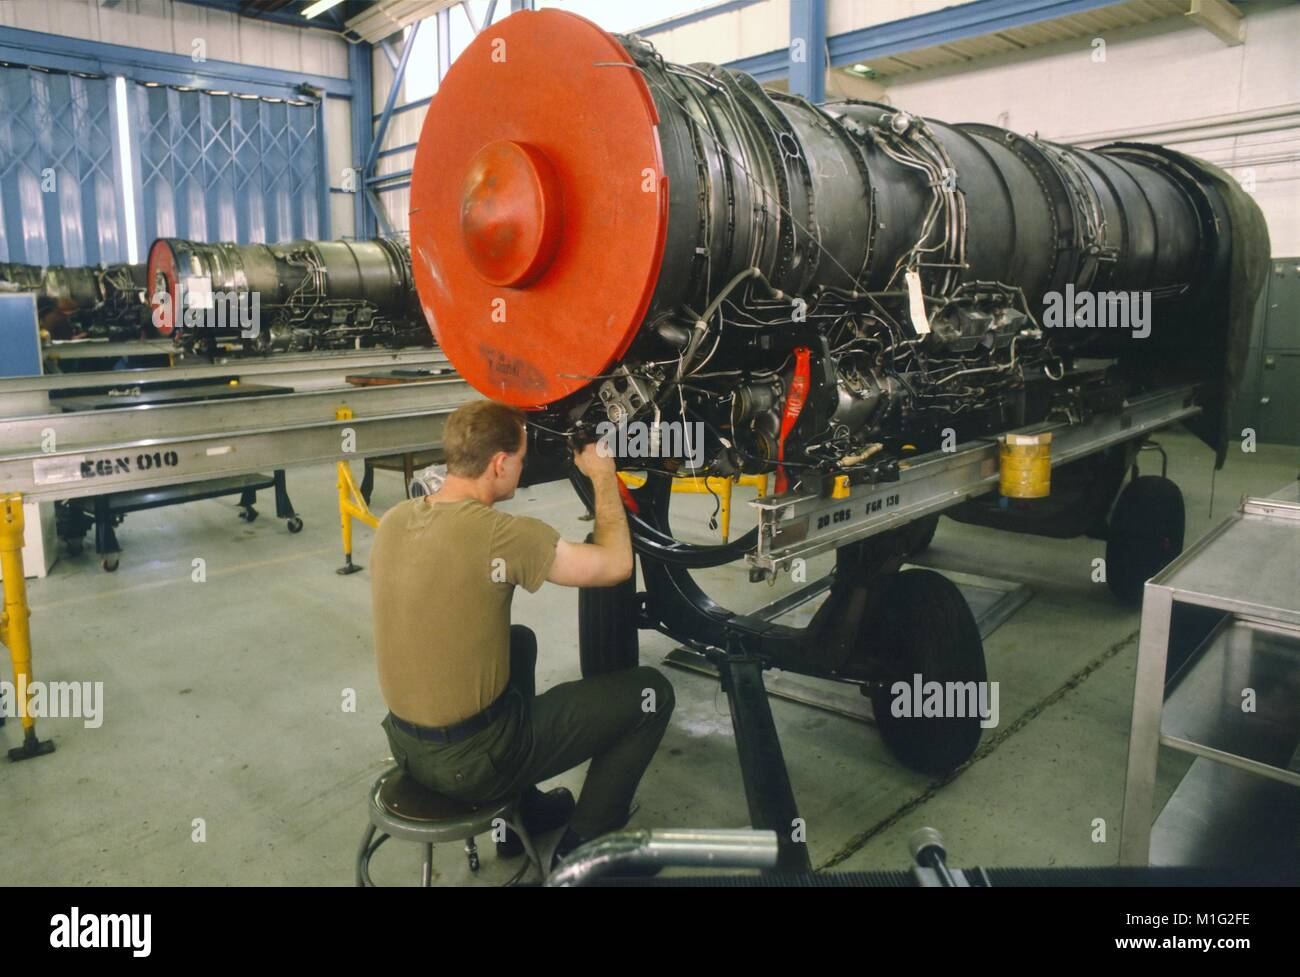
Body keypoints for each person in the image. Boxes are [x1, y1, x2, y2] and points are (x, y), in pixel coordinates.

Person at [369, 399, 675, 870]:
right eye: (521, 457)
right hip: (471, 763)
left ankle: (520, 819)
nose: (524, 465)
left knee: (519, 641)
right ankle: (585, 853)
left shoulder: (394, 520)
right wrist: (603, 476)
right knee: (651, 693)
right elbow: (615, 565)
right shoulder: (502, 534)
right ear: (499, 463)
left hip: (405, 748)